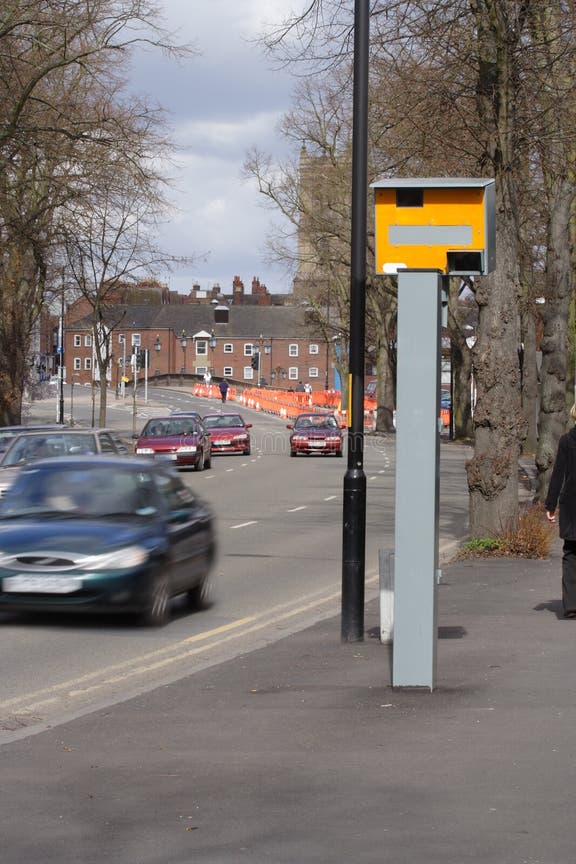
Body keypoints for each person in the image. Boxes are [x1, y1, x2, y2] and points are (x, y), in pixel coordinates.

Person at [545, 402, 576, 618]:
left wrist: (550, 504)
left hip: (571, 504)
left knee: (571, 553)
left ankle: (572, 605)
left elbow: (558, 475)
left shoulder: (567, 441)